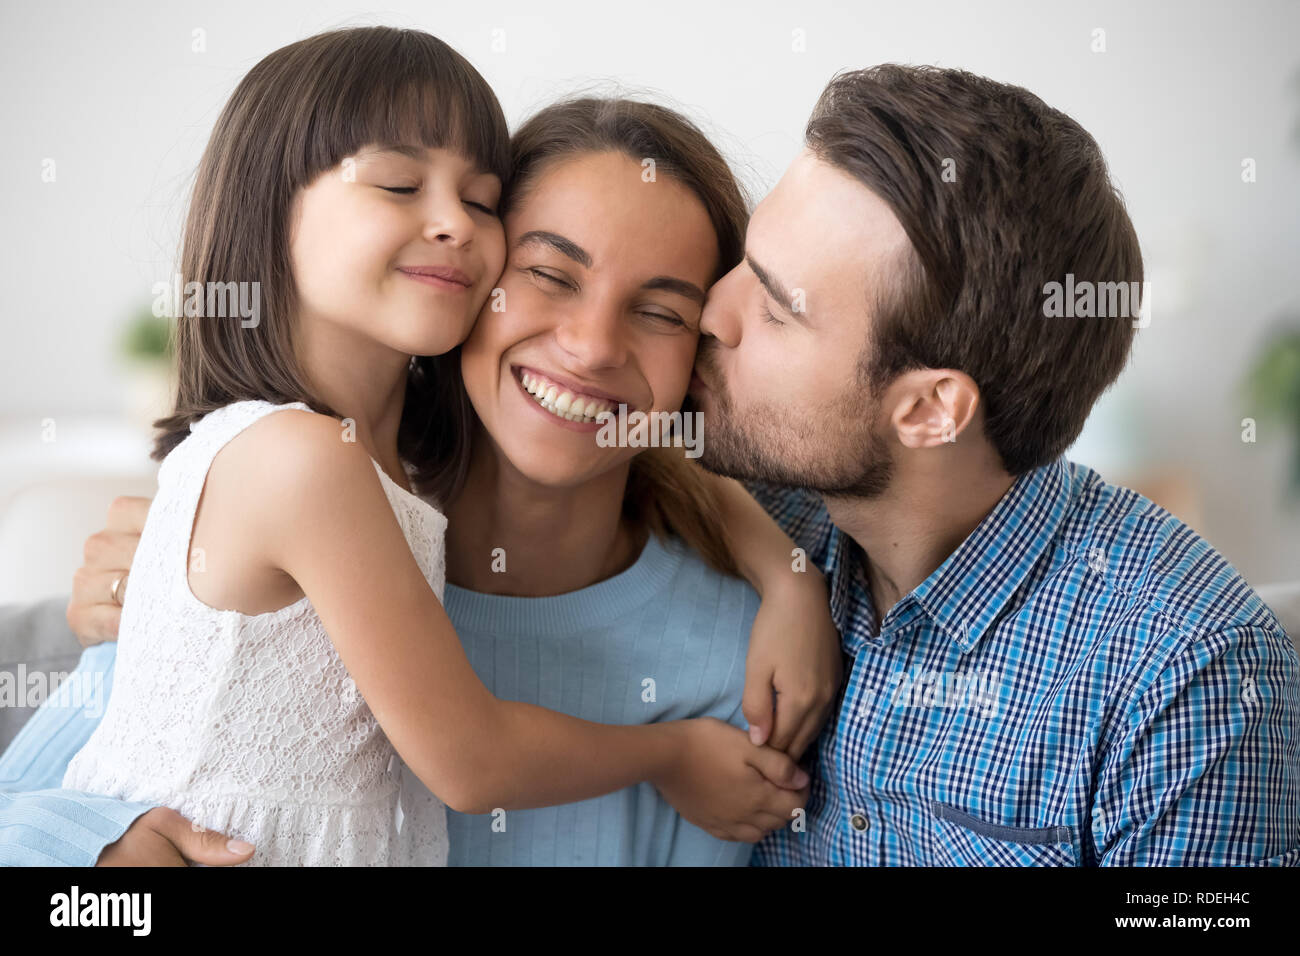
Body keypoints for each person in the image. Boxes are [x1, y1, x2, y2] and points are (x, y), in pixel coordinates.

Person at [0, 28, 842, 866]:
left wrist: (791, 576)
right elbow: (35, 815)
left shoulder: (744, 661)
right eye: (550, 274)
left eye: (662, 311)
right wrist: (108, 858)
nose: (590, 347)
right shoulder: (281, 519)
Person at [682, 64, 1299, 865]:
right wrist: (787, 575)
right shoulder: (763, 506)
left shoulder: (1186, 677)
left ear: (931, 410)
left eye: (774, 308)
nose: (710, 312)